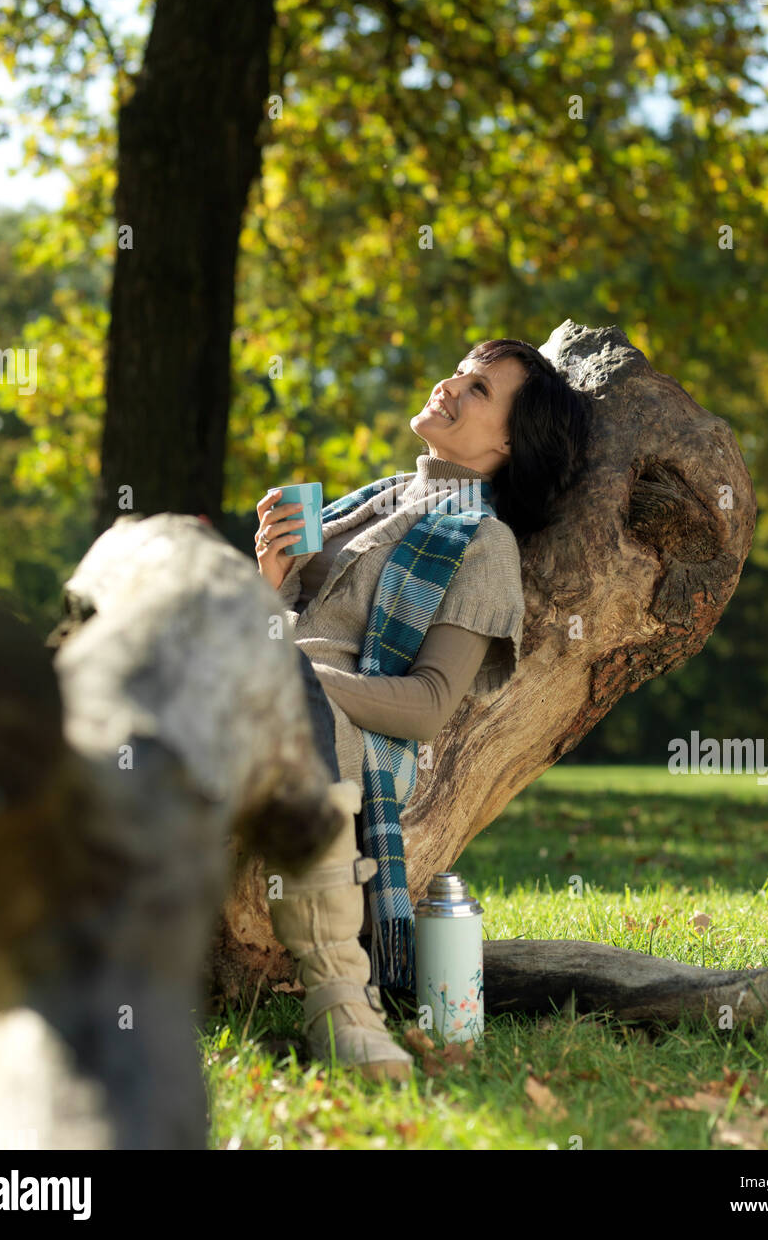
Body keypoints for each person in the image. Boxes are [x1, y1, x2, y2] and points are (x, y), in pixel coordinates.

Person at [254, 338, 590, 1081]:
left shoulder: (484, 543)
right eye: (459, 373)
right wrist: (272, 579)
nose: (450, 386)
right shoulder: (370, 501)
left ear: (508, 440)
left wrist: (298, 682)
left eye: (477, 389)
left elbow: (428, 706)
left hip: (333, 724)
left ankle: (342, 1005)